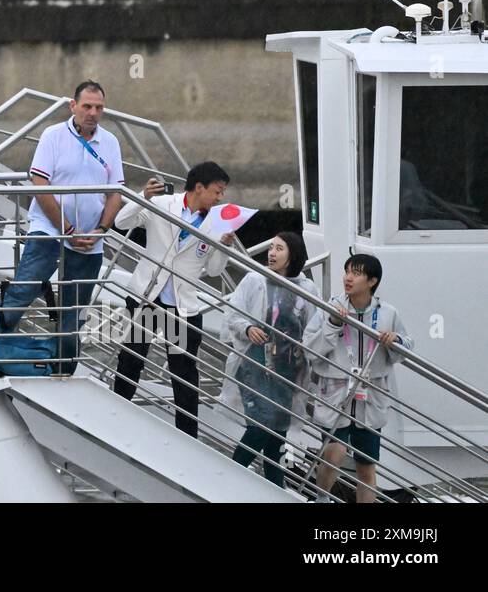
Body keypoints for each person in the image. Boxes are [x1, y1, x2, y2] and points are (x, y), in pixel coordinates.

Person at [0, 80, 124, 377]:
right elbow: (40, 187)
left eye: (99, 107)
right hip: (49, 230)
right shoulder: (53, 136)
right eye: (87, 106)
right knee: (22, 291)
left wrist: (101, 230)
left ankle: (64, 366)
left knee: (75, 307)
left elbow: (116, 193)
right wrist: (67, 229)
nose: (93, 113)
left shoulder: (110, 142)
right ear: (73, 106)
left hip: (91, 237)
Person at [110, 162, 237, 438]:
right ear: (199, 188)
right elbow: (121, 222)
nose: (220, 198)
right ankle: (116, 414)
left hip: (181, 306)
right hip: (148, 296)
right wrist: (143, 198)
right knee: (132, 357)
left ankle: (188, 434)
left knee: (183, 371)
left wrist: (224, 245)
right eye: (217, 191)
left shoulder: (216, 223)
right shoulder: (163, 203)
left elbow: (214, 269)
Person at [305, 253, 411, 503]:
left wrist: (394, 341)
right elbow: (310, 348)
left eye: (356, 273)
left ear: (372, 281)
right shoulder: (331, 308)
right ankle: (321, 498)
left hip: (370, 396)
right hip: (336, 393)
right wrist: (333, 323)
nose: (348, 278)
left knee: (366, 466)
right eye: (347, 271)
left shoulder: (387, 313)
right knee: (334, 452)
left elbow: (406, 345)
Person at [222, 231, 320, 487]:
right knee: (260, 427)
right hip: (254, 364)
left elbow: (315, 328)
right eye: (271, 247)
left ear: (293, 255)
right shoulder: (255, 280)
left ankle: (276, 488)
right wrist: (247, 328)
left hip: (288, 369)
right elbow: (232, 314)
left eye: (279, 249)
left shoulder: (307, 288)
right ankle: (226, 478)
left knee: (277, 434)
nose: (271, 253)